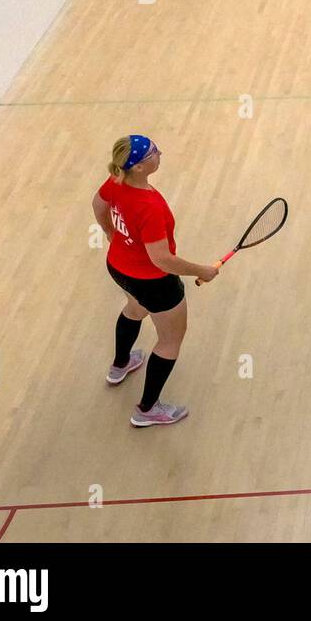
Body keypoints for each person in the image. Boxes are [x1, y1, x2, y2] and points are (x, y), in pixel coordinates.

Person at [92, 135, 219, 427]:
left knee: (135, 310)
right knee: (170, 340)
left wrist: (111, 234)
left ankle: (120, 365)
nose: (159, 153)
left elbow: (98, 205)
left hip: (118, 267)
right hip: (154, 283)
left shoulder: (116, 180)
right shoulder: (150, 208)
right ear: (138, 167)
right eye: (152, 152)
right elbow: (161, 259)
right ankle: (147, 410)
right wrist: (201, 270)